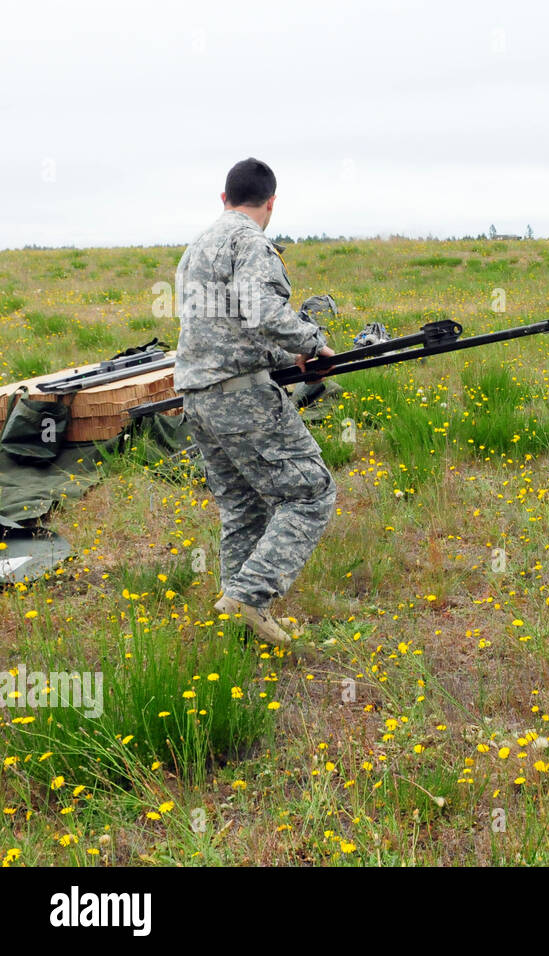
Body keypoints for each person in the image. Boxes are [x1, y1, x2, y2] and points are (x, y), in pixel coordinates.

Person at [174, 157, 337, 650]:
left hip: (198, 397)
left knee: (243, 509)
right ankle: (248, 596)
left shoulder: (196, 247)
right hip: (241, 397)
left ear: (224, 199)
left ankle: (238, 629)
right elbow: (261, 309)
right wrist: (312, 343)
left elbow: (229, 322)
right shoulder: (251, 242)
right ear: (271, 202)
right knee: (311, 493)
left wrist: (284, 353)